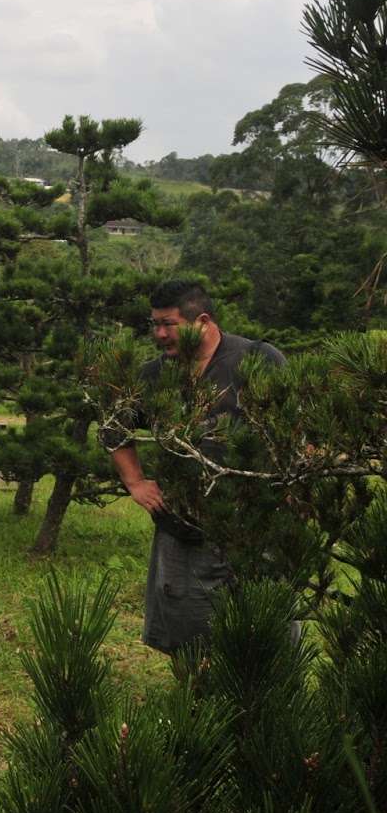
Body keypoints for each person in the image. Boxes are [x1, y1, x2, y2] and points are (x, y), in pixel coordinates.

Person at [107, 280, 286, 655]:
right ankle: (201, 704)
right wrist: (136, 481)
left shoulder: (257, 359)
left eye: (169, 324)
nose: (160, 334)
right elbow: (113, 428)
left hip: (261, 522)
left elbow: (303, 425)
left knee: (270, 630)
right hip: (185, 527)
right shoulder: (154, 375)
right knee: (189, 634)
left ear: (202, 321)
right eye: (154, 324)